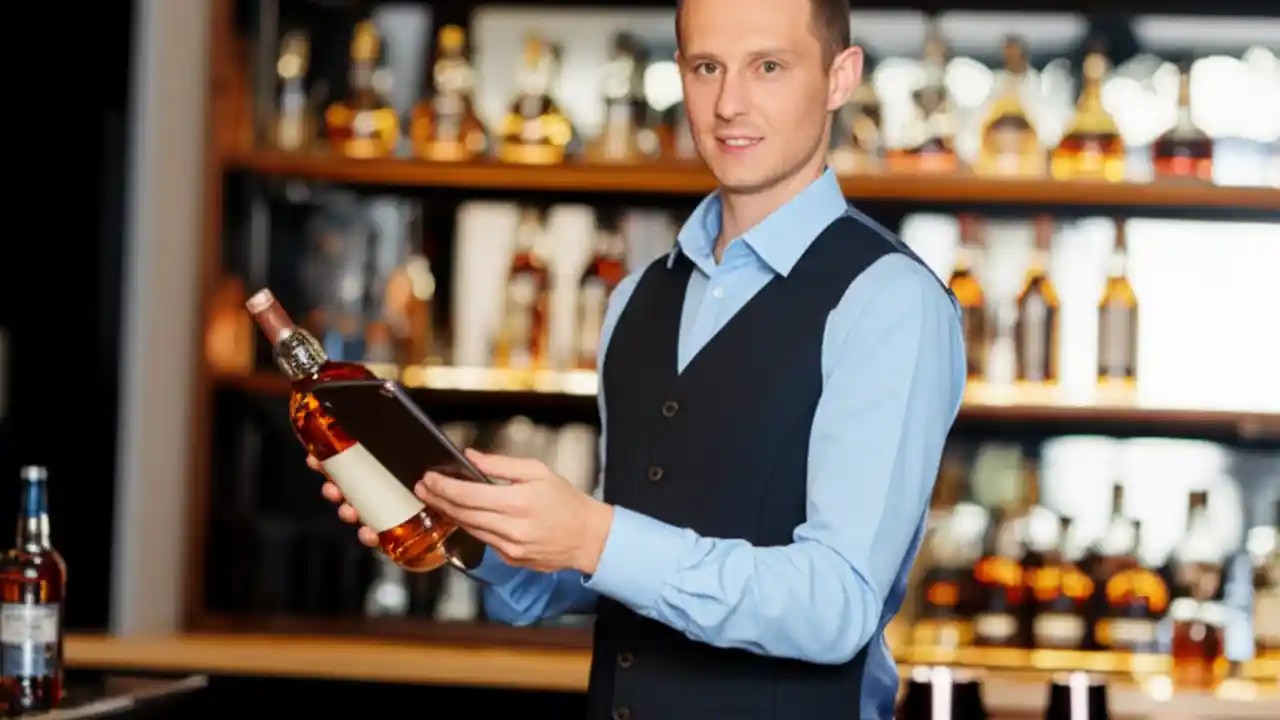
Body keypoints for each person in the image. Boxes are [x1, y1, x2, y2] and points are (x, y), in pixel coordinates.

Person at [311, 0, 965, 717]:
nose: (729, 103)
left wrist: (595, 534)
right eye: (707, 67)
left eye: (768, 67)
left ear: (840, 78)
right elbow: (609, 571)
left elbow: (836, 604)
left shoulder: (888, 299)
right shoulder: (637, 299)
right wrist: (463, 524)